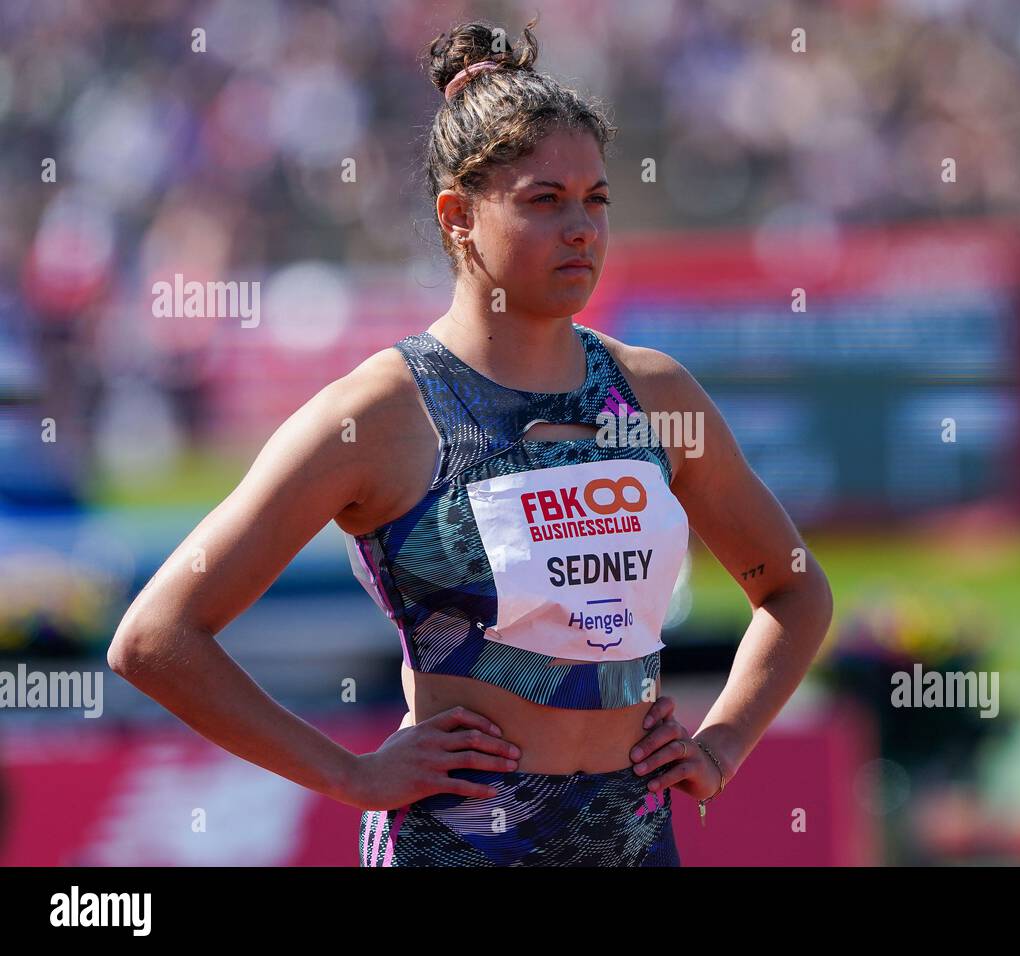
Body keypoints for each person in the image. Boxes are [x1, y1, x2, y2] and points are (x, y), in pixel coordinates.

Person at [107, 17, 834, 867]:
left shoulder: (655, 392)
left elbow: (793, 592)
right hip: (456, 848)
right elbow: (157, 638)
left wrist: (722, 744)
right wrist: (351, 774)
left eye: (596, 200)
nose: (582, 230)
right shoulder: (378, 413)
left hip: (634, 843)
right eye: (543, 201)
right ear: (457, 216)